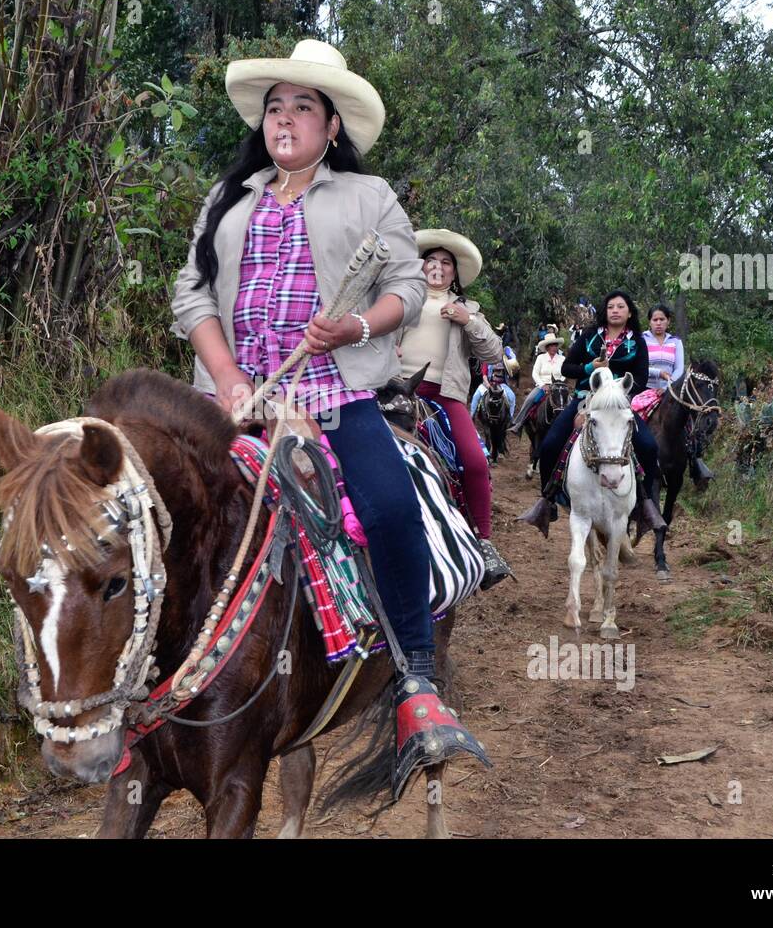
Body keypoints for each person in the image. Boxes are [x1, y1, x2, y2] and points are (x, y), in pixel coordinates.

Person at [168, 38, 486, 786]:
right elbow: (192, 295)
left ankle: (415, 681)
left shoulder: (369, 199)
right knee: (149, 508)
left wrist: (355, 328)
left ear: (332, 126)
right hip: (231, 400)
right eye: (275, 107)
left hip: (335, 398)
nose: (284, 119)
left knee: (388, 507)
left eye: (301, 107)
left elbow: (407, 289)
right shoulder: (229, 199)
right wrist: (229, 379)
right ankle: (131, 685)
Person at [396, 228, 509, 586]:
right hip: (394, 389)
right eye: (432, 261)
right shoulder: (399, 298)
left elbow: (493, 353)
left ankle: (485, 543)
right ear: (421, 265)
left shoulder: (469, 309)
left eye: (446, 263)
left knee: (475, 461)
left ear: (454, 273)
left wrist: (468, 321)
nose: (438, 267)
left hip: (445, 394)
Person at [519, 290, 667, 536]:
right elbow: (568, 367)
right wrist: (590, 367)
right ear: (604, 311)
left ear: (629, 312)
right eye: (610, 307)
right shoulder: (590, 336)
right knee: (550, 445)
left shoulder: (637, 341)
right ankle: (548, 500)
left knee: (649, 447)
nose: (615, 311)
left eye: (620, 306)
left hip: (618, 404)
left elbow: (640, 378)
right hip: (584, 400)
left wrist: (615, 387)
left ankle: (644, 505)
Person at [637, 303, 713, 488]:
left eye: (662, 319)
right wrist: (659, 374)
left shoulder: (675, 342)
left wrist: (670, 386)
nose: (658, 323)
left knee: (689, 423)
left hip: (671, 392)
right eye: (655, 320)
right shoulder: (642, 340)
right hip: (646, 388)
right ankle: (634, 458)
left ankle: (696, 462)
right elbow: (640, 365)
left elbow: (679, 368)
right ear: (649, 322)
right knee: (634, 417)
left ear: (668, 321)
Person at [508, 332, 564, 434]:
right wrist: (543, 385)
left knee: (568, 401)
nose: (554, 348)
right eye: (551, 345)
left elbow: (564, 373)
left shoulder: (562, 359)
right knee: (530, 399)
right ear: (547, 347)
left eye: (555, 345)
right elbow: (535, 373)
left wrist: (559, 383)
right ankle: (519, 423)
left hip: (558, 386)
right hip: (542, 386)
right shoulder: (540, 358)